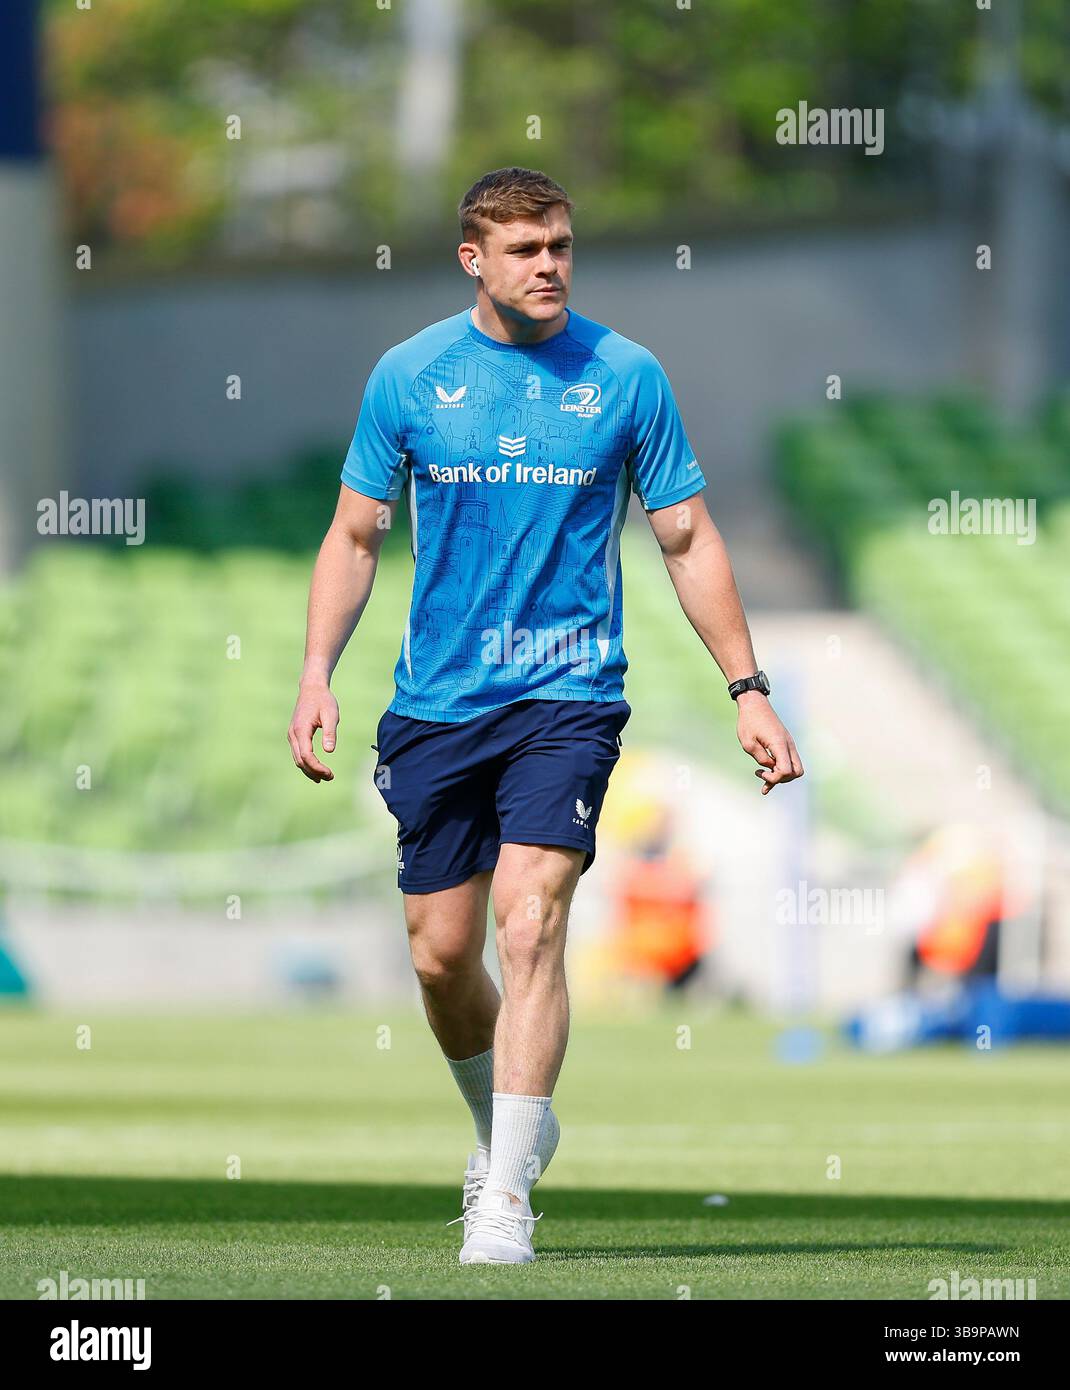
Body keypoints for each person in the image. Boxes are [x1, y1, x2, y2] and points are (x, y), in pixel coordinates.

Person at [287, 166, 804, 1265]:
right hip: (435, 704)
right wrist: (316, 671)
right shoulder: (410, 375)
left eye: (560, 245)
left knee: (531, 920)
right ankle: (508, 1134)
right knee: (438, 955)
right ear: (472, 259)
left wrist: (745, 688)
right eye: (525, 250)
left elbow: (685, 538)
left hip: (568, 694)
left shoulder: (624, 376)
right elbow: (354, 536)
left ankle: (503, 1201)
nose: (549, 266)